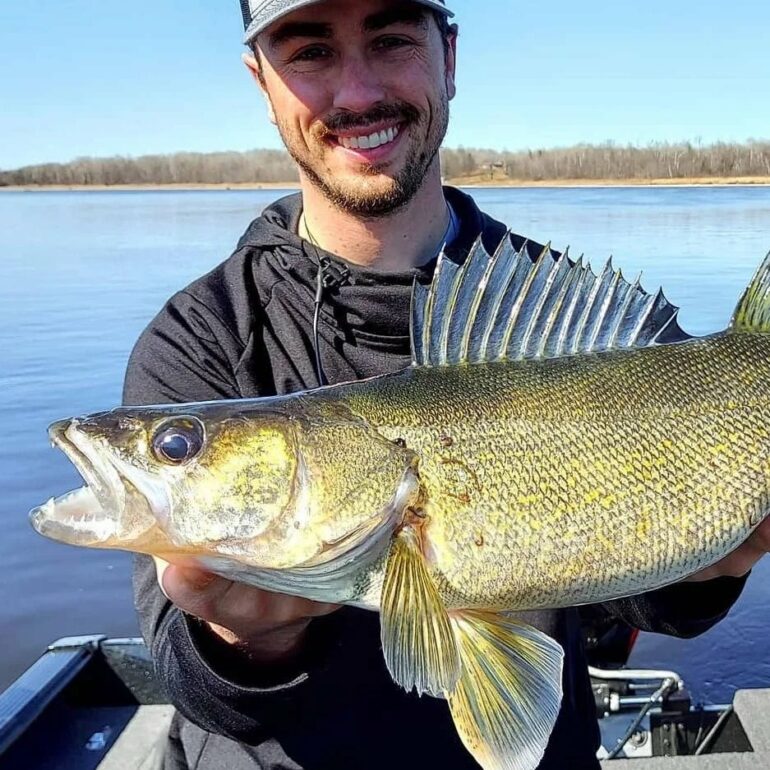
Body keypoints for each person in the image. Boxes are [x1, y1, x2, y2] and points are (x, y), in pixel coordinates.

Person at [123, 1, 770, 768]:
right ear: (261, 80)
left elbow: (630, 601)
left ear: (449, 57)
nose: (358, 93)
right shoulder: (202, 338)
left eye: (391, 39)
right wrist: (241, 640)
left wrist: (710, 563)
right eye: (311, 52)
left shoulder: (545, 300)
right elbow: (191, 681)